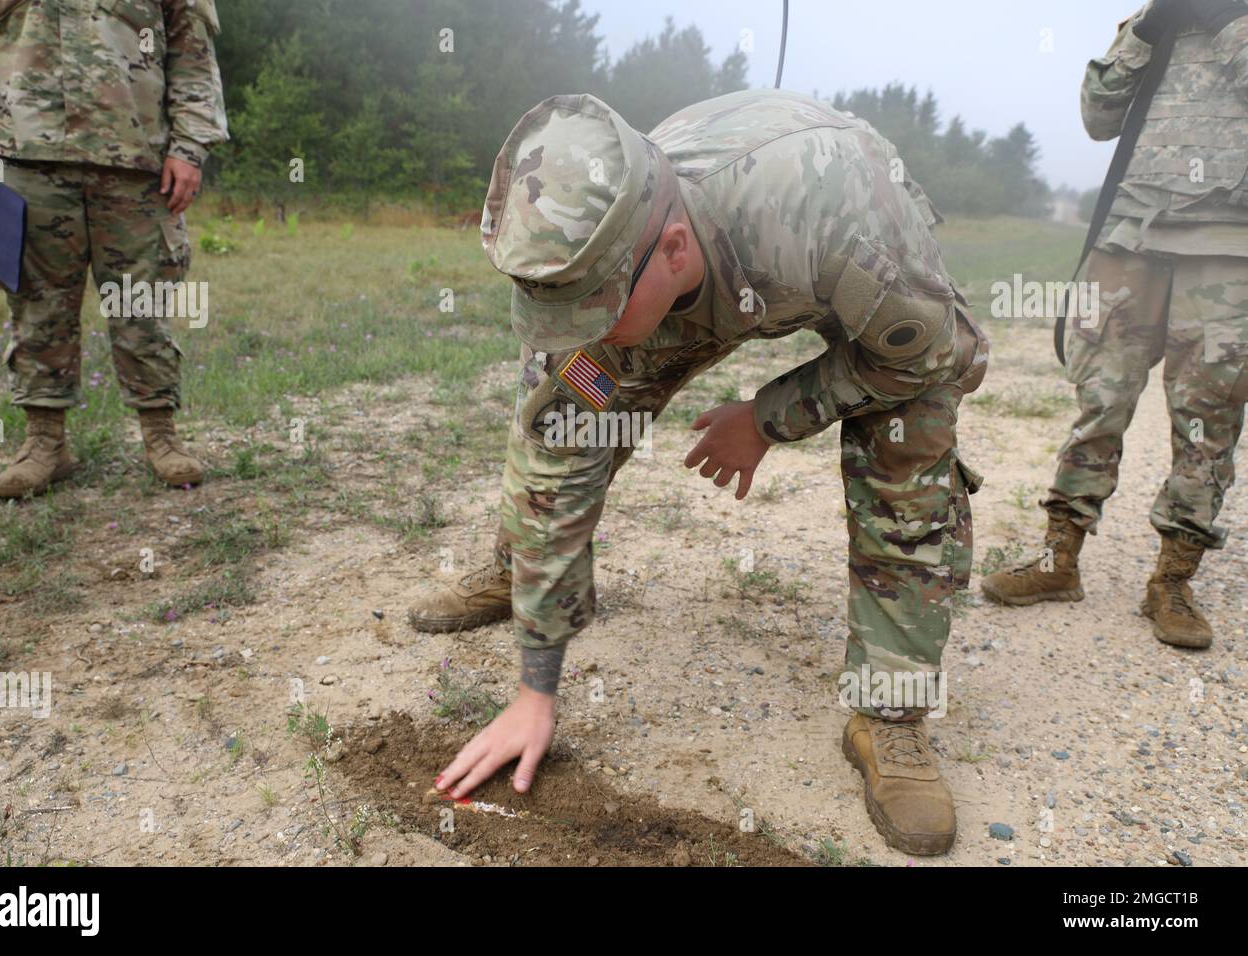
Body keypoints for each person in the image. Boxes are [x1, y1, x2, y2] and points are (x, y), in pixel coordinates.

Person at [413, 89, 989, 855]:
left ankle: (891, 711)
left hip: (804, 251)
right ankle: (518, 567)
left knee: (908, 432)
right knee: (567, 413)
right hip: (685, 282)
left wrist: (769, 416)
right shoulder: (602, 250)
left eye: (591, 313)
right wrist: (535, 686)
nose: (573, 336)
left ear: (675, 248)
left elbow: (940, 351)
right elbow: (557, 443)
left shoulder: (837, 220)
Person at [983, 0, 1248, 650]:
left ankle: (1172, 582)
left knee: (1205, 417)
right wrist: (1147, 29)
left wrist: (1226, 24)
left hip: (1226, 242)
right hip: (1131, 235)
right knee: (1099, 400)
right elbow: (1098, 116)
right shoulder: (1156, 16)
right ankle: (1058, 559)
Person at [0, 0, 228, 496]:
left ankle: (161, 435)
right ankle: (44, 444)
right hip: (22, 147)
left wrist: (189, 145)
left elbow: (190, 43)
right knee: (37, 302)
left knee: (143, 300)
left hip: (135, 152)